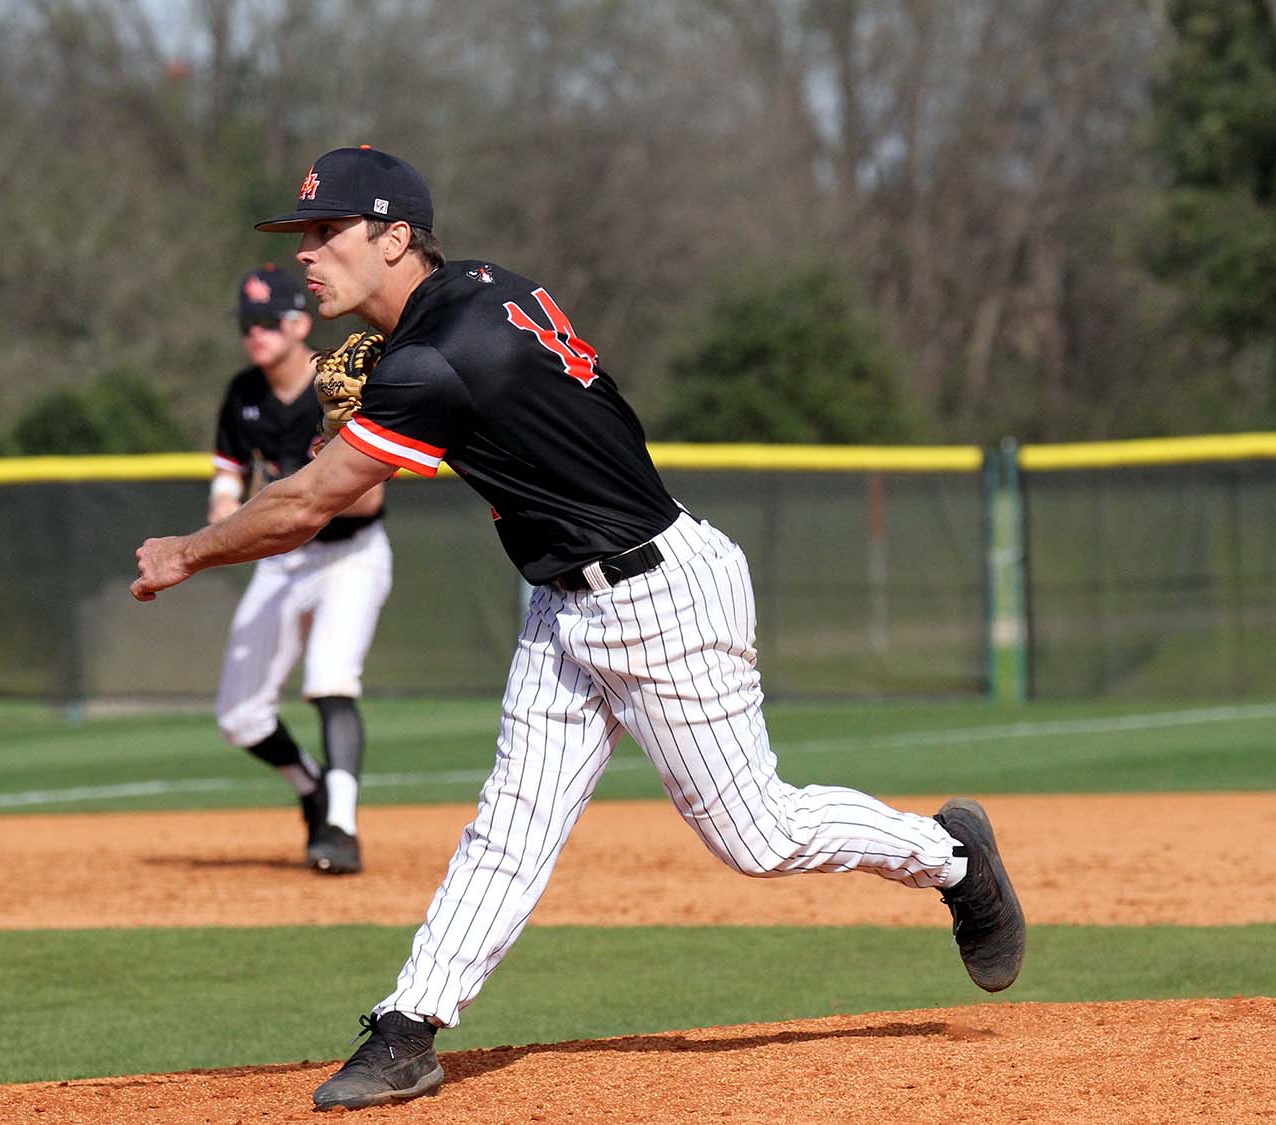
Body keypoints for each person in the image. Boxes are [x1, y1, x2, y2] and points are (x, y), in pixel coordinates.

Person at [132, 146, 1025, 1112]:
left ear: (394, 238)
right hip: (566, 595)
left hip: (658, 596)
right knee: (510, 826)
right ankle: (408, 1027)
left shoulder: (431, 362)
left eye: (326, 232)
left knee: (759, 836)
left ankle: (952, 857)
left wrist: (186, 552)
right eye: (301, 235)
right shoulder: (478, 289)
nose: (306, 255)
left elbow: (305, 504)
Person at [208, 263, 392, 875]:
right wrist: (224, 522)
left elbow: (369, 499)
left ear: (299, 323)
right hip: (282, 558)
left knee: (330, 679)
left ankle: (340, 826)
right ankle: (310, 785)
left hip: (351, 553)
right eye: (246, 323)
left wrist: (330, 462)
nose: (254, 333)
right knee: (239, 717)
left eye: (266, 321)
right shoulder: (243, 395)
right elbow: (227, 480)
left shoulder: (336, 381)